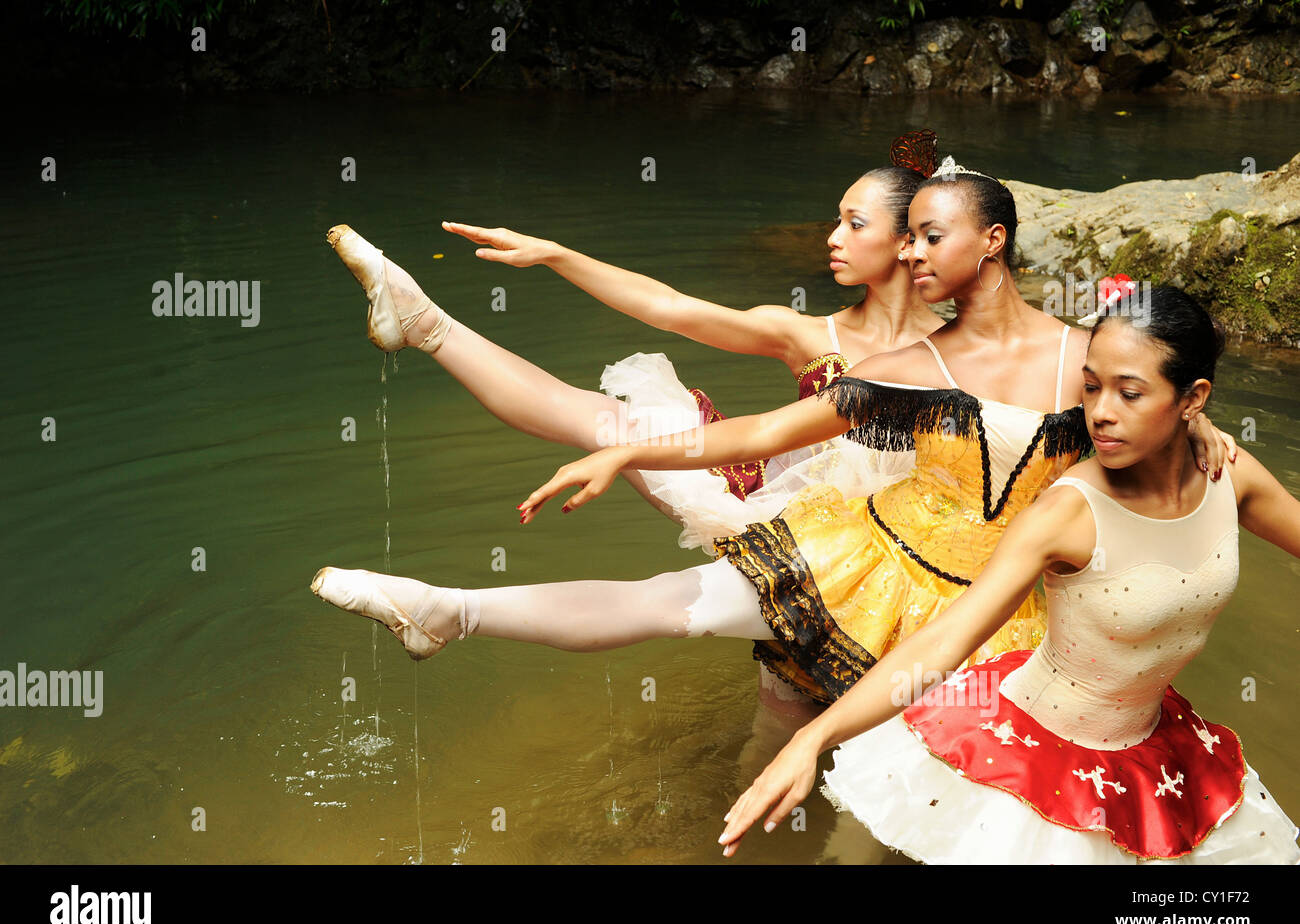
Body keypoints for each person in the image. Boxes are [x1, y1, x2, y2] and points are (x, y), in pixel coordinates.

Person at [308, 160, 1235, 719]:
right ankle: (427, 341)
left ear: (978, 242)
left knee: (820, 742)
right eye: (894, 233)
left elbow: (1134, 389)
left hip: (945, 585)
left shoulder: (1036, 355)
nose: (858, 241)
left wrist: (1205, 433)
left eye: (874, 226)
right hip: (824, 540)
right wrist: (556, 257)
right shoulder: (846, 346)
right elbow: (682, 320)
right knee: (617, 448)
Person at [716, 286, 1300, 864]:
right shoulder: (1066, 513)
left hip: (1158, 756)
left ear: (1194, 398)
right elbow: (944, 641)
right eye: (1091, 386)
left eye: (1130, 393)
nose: (1099, 412)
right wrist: (812, 738)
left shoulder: (1232, 476)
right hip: (1034, 760)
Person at [325, 131, 945, 555]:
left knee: (782, 709)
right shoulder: (807, 333)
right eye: (835, 219)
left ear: (905, 241)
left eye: (853, 225)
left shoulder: (965, 347)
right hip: (779, 521)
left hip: (897, 551)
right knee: (614, 421)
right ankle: (428, 326)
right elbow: (670, 308)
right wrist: (556, 255)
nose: (832, 238)